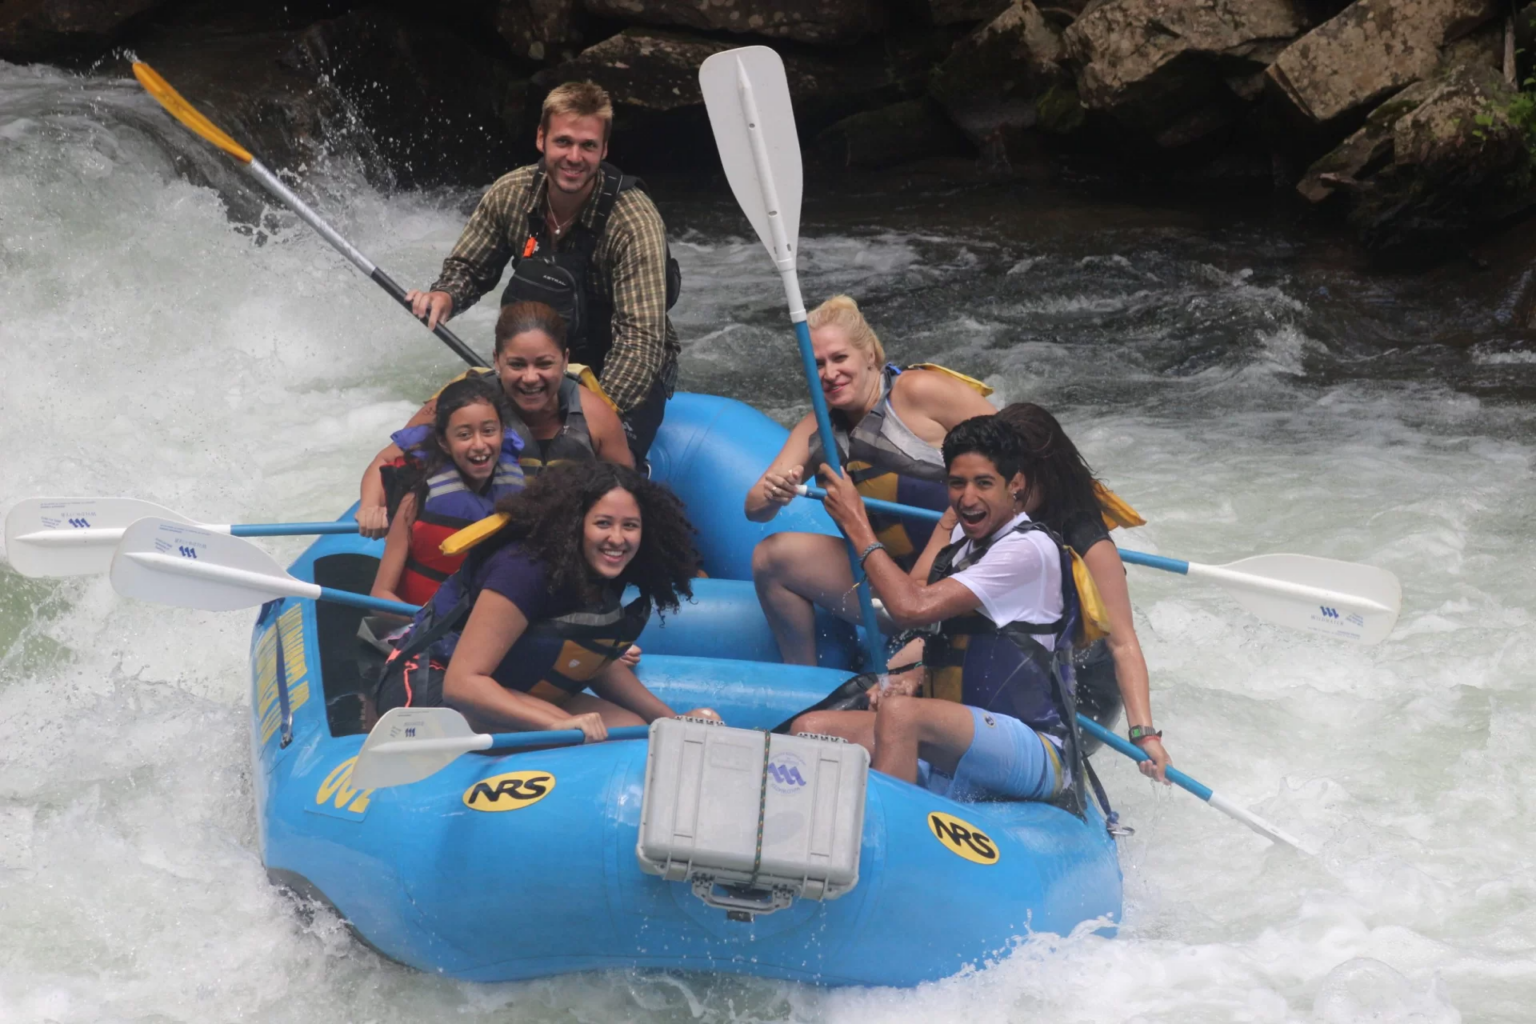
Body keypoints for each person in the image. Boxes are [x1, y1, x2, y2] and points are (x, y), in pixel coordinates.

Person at [791, 416, 1083, 803]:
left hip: (1036, 746)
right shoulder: (966, 536)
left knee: (900, 716)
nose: (967, 498)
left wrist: (858, 525)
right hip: (965, 728)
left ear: (1016, 485)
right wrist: (917, 675)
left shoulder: (1028, 549)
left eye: (983, 483)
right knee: (811, 726)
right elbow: (926, 605)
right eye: (957, 483)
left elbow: (911, 609)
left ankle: (889, 837)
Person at [403, 81, 680, 464]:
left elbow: (641, 340)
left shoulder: (633, 220)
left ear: (604, 149)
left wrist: (593, 416)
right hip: (540, 362)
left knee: (582, 462)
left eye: (587, 146)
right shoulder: (511, 192)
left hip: (619, 369)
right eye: (563, 142)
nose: (574, 157)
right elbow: (469, 267)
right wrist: (445, 295)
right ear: (541, 139)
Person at [372, 461, 715, 740]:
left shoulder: (604, 567)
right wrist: (553, 724)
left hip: (507, 684)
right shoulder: (522, 571)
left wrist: (669, 720)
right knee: (590, 736)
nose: (617, 538)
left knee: (630, 728)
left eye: (630, 526)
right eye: (603, 523)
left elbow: (589, 658)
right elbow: (462, 684)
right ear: (576, 523)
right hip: (429, 691)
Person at [747, 295, 997, 665]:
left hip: (962, 579)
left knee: (896, 684)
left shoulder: (918, 391)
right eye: (817, 364)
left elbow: (1013, 457)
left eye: (839, 358)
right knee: (771, 558)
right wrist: (774, 493)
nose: (829, 374)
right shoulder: (817, 428)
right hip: (890, 581)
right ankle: (803, 682)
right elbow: (754, 508)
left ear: (869, 356)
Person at [996, 402, 1170, 782]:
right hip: (1019, 662)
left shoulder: (1089, 543)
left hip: (1082, 688)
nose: (1011, 487)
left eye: (1019, 475)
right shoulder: (993, 514)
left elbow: (1123, 645)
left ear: (1047, 472)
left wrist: (1145, 734)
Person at [356, 301, 632, 538]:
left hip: (566, 544)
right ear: (497, 361)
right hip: (479, 542)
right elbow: (386, 461)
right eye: (517, 364)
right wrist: (370, 507)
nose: (531, 378)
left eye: (544, 364)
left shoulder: (595, 416)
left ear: (565, 360)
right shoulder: (460, 404)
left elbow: (629, 492)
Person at [370, 376, 525, 608]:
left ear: (503, 433)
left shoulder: (518, 494)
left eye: (489, 431)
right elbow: (380, 595)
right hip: (419, 628)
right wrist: (429, 626)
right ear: (444, 442)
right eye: (464, 435)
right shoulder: (415, 501)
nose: (479, 444)